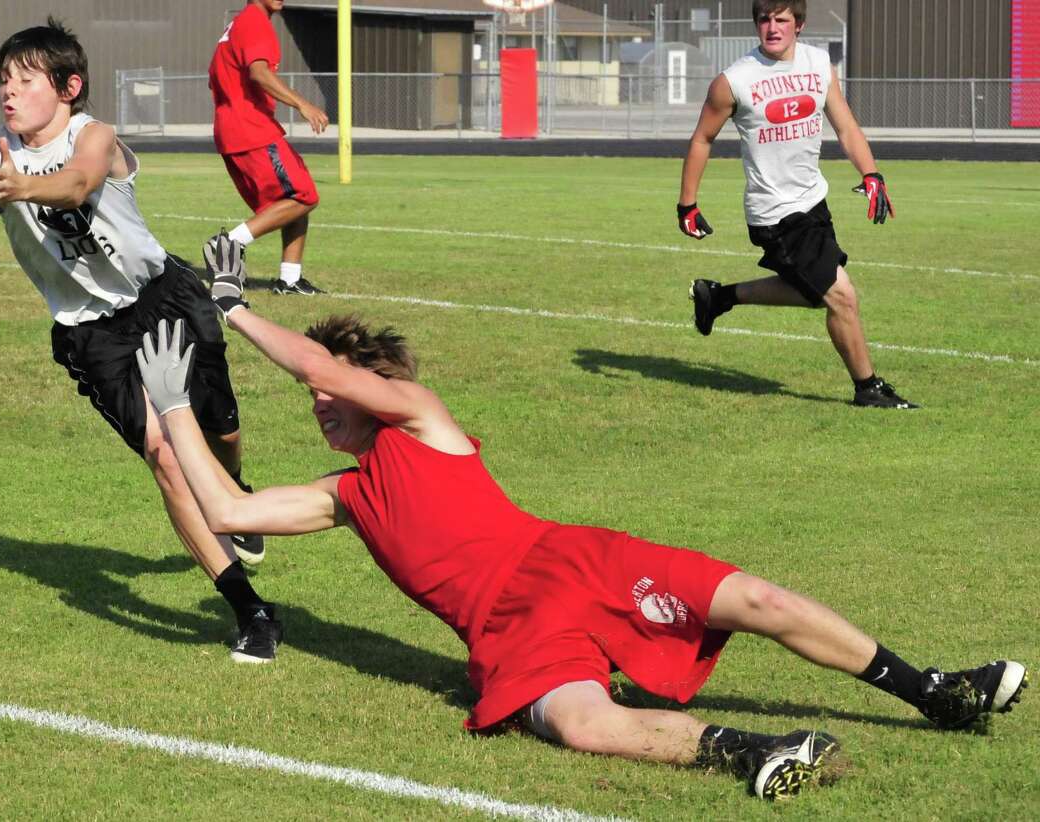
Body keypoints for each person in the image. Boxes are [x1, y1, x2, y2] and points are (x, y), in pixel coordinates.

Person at [131, 238, 1027, 800]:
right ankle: (753, 752)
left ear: (370, 383)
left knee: (752, 596)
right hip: (507, 630)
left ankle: (931, 690)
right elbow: (228, 508)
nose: (320, 405)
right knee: (581, 726)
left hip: (572, 560)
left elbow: (324, 375)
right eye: (318, 392)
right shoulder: (346, 495)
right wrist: (173, 407)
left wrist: (238, 309)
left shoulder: (420, 416)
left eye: (333, 387)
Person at [0, 18, 283, 663]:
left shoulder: (92, 135)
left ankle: (235, 488)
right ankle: (252, 610)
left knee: (220, 430)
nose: (8, 93)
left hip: (164, 299)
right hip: (91, 332)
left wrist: (23, 188)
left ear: (69, 86)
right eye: (2, 82)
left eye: (24, 79)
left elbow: (78, 183)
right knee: (163, 453)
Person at [678, 0, 916, 409]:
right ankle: (868, 387)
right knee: (841, 296)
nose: (772, 27)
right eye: (764, 20)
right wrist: (688, 204)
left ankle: (718, 297)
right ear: (756, 25)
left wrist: (871, 174)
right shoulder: (734, 81)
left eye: (782, 19)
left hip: (813, 202)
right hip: (775, 213)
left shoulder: (819, 64)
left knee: (812, 293)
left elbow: (844, 124)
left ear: (799, 24)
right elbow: (702, 138)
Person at [209, 0, 329, 296]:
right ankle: (228, 245)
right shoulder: (254, 21)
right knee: (304, 196)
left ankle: (289, 279)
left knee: (291, 201)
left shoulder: (238, 24)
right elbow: (259, 73)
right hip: (250, 129)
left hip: (235, 128)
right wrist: (304, 104)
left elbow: (216, 79)